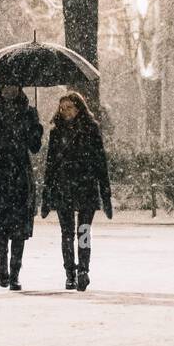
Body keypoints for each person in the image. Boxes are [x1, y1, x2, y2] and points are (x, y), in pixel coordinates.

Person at [41, 91, 113, 290]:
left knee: (84, 231)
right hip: (63, 186)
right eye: (62, 108)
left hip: (86, 185)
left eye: (69, 108)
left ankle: (83, 270)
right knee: (66, 233)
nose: (65, 112)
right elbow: (51, 165)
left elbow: (100, 163)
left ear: (79, 108)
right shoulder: (57, 133)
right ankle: (69, 272)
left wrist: (105, 193)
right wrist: (46, 196)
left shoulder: (91, 130)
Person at [0, 84, 43, 290]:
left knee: (19, 227)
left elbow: (34, 147)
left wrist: (36, 128)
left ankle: (15, 272)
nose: (9, 90)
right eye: (5, 86)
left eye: (13, 85)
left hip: (21, 174)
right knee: (1, 225)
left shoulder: (28, 113)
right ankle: (2, 264)